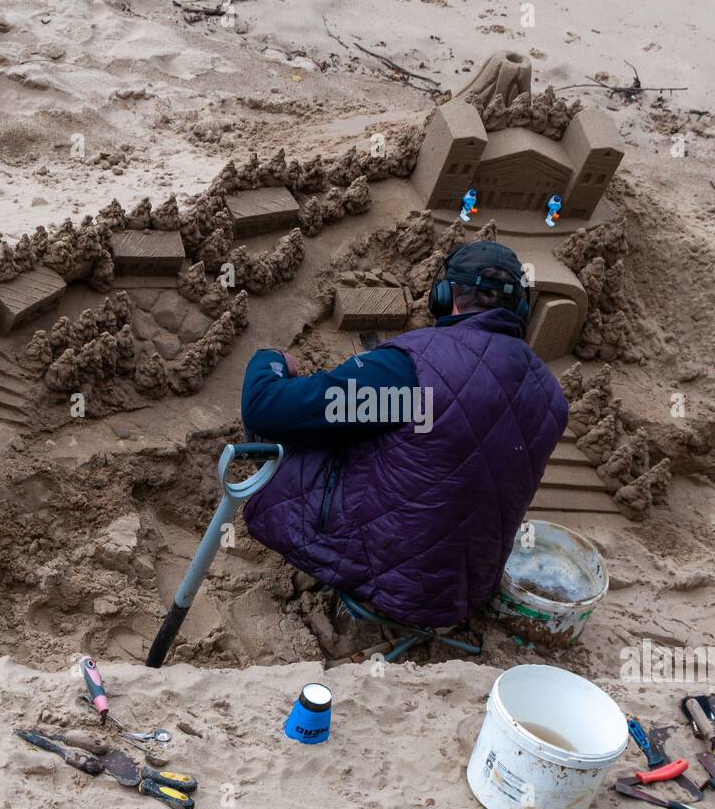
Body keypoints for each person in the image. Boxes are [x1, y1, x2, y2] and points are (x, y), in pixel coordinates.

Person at [239, 241, 569, 629]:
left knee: (308, 434)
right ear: (521, 311)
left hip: (381, 573)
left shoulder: (413, 370)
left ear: (443, 297)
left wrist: (270, 361)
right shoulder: (552, 396)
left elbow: (265, 406)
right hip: (464, 591)